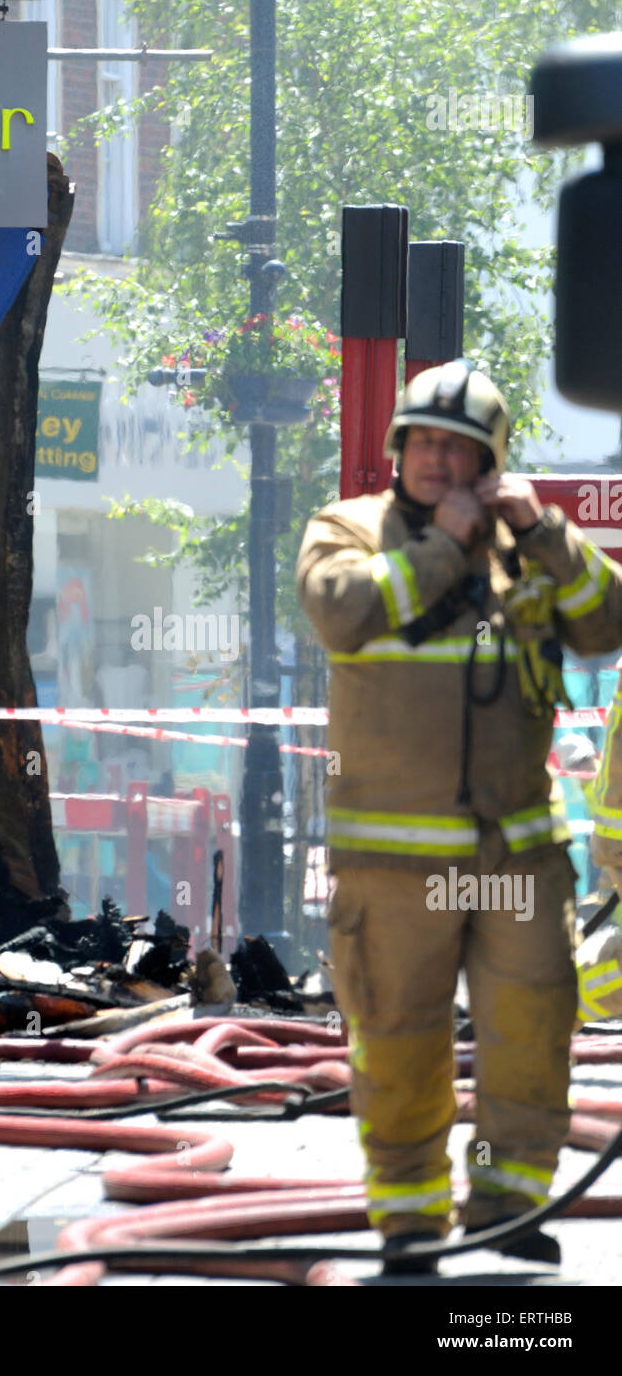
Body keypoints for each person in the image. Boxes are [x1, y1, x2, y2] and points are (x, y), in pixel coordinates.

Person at [295, 358, 622, 1273]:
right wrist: (440, 545)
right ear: (399, 449)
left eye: (460, 447)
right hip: (393, 869)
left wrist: (543, 531)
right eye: (425, 442)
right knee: (400, 1043)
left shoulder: (527, 549)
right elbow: (341, 613)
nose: (439, 458)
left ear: (490, 461)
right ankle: (410, 1224)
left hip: (517, 858)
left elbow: (607, 624)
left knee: (529, 1039)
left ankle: (504, 1208)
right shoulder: (348, 529)